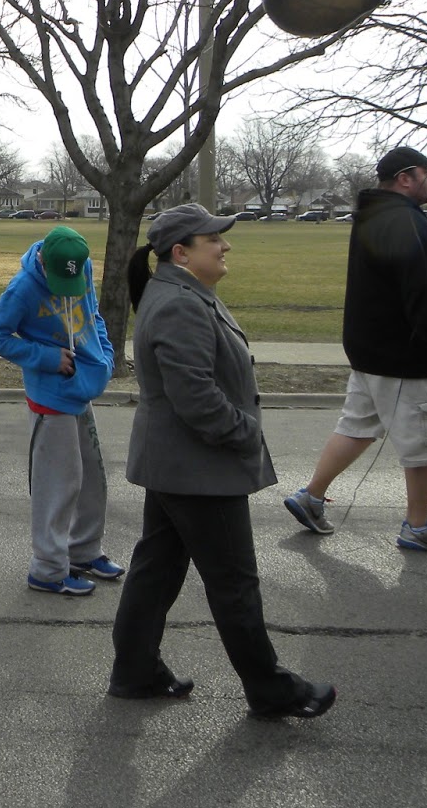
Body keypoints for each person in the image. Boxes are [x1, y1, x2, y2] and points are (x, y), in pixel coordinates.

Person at [108, 204, 335, 719]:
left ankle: (135, 672)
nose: (225, 245)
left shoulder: (181, 294)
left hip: (178, 465)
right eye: (214, 239)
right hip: (197, 470)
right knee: (233, 583)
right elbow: (195, 397)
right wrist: (243, 433)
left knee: (157, 570)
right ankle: (270, 687)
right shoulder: (179, 304)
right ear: (181, 252)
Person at [283, 146, 427, 552]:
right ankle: (418, 526)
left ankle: (311, 496)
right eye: (426, 173)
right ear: (406, 178)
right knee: (423, 443)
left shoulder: (372, 215)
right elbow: (424, 292)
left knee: (357, 426)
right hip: (405, 356)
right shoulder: (404, 220)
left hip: (370, 351)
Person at [0, 225, 122, 595]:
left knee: (92, 478)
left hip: (82, 389)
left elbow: (93, 316)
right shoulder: (22, 289)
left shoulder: (81, 268)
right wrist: (45, 357)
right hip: (49, 396)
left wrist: (104, 358)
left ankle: (83, 550)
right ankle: (47, 568)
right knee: (58, 484)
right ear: (44, 261)